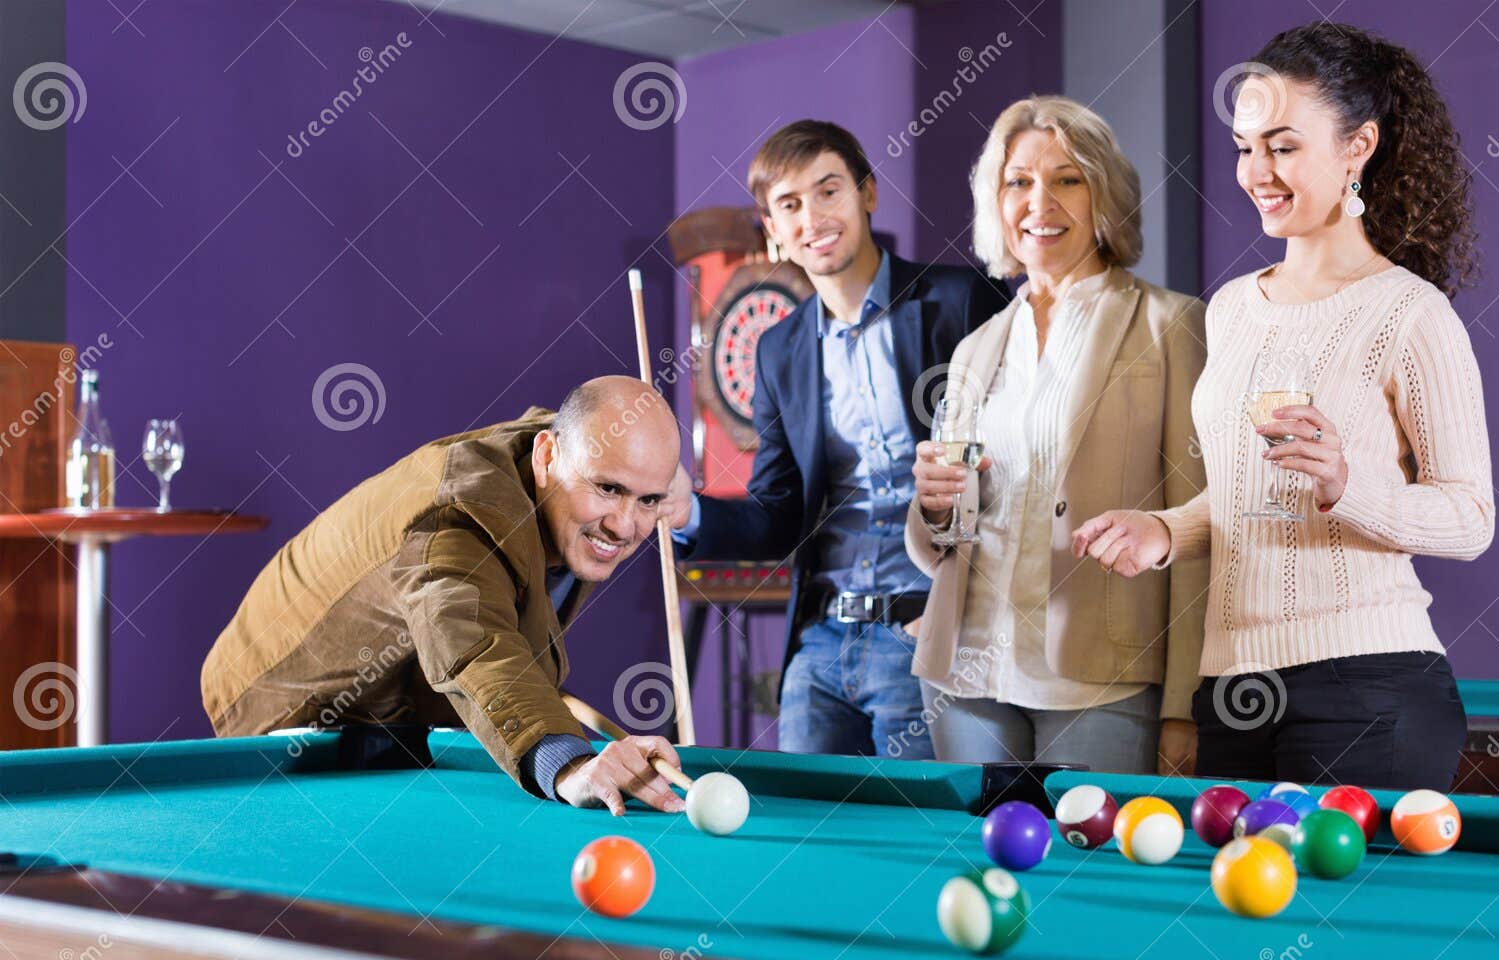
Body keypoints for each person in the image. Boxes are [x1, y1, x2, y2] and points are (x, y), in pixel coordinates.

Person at [1073, 22, 1493, 791]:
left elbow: (1472, 517)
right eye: (1243, 146)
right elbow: (1252, 492)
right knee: (1238, 911)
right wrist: (1163, 531)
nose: (1255, 170)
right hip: (1231, 688)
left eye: (1283, 145)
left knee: (1349, 915)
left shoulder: (1409, 312)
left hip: (1365, 686)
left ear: (1357, 147)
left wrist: (1348, 486)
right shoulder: (1234, 307)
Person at [662, 120, 1009, 758]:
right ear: (773, 229)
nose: (813, 217)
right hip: (821, 645)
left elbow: (1019, 473)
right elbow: (778, 516)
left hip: (929, 633)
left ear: (867, 194)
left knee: (921, 846)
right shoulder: (779, 350)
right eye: (789, 205)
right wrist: (688, 511)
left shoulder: (962, 302)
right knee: (805, 842)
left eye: (828, 192)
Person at [202, 376, 690, 814]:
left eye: (648, 499)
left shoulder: (570, 452)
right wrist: (568, 764)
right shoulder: (458, 519)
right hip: (290, 707)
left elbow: (582, 429)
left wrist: (667, 483)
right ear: (546, 457)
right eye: (607, 489)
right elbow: (474, 647)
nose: (625, 524)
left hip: (400, 702)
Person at [905, 97, 1207, 774]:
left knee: (1084, 875)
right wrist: (931, 507)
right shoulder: (976, 349)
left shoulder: (1171, 326)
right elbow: (943, 544)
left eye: (1067, 178)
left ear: (1106, 195)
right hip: (968, 671)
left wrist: (1183, 704)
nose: (1040, 201)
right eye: (1018, 181)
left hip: (1105, 678)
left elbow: (1198, 529)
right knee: (985, 872)